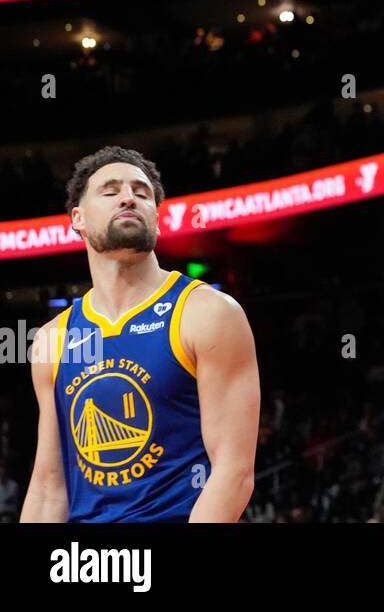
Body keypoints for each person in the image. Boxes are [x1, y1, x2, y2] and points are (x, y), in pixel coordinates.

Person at [20, 147, 259, 522]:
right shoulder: (54, 338)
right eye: (111, 190)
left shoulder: (207, 313)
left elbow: (234, 472)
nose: (129, 197)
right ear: (77, 218)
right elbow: (49, 486)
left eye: (141, 192)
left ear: (157, 220)